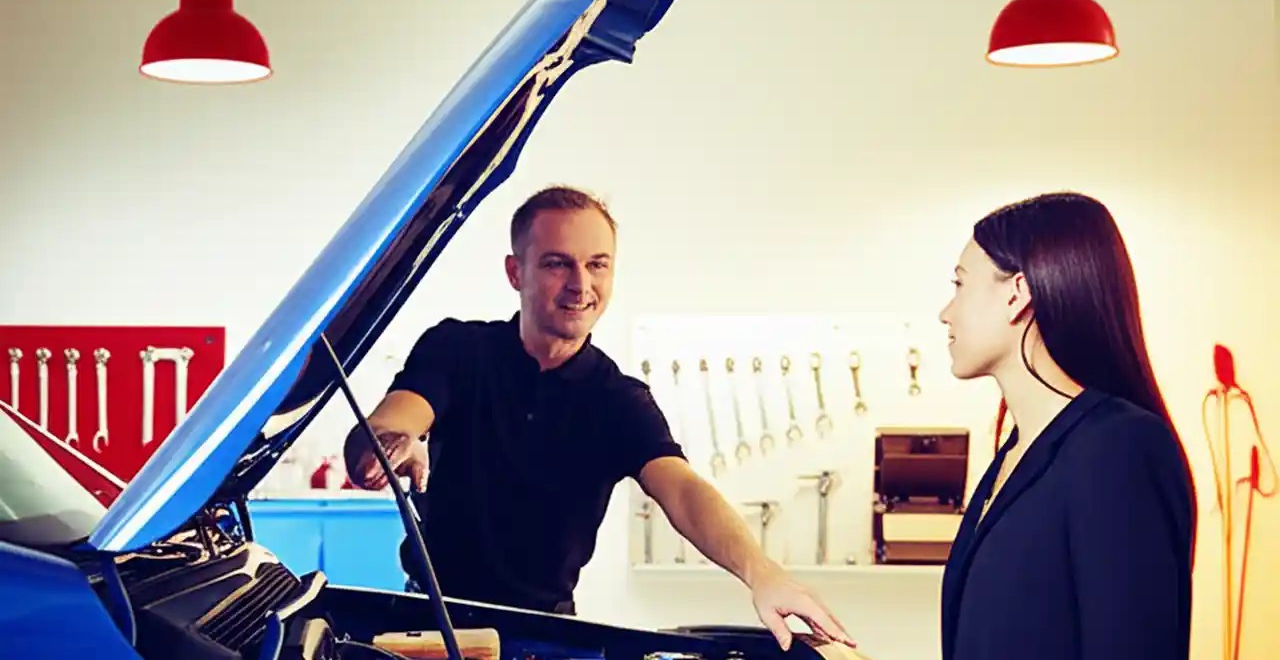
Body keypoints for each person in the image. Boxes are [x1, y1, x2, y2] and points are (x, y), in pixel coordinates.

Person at [344, 185, 852, 650]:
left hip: (546, 636)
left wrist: (761, 573)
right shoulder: (457, 349)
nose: (580, 284)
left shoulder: (618, 400)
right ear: (515, 271)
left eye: (598, 265)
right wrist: (390, 446)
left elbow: (683, 491)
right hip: (432, 626)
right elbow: (390, 423)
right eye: (557, 264)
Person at [936, 191, 1196, 660]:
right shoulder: (1014, 455)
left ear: (1017, 293)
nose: (945, 313)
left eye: (959, 285)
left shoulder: (1119, 448)